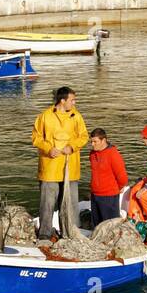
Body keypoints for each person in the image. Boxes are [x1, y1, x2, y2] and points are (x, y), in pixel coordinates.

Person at [31, 86, 89, 240]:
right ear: (62, 101)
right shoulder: (45, 116)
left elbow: (84, 136)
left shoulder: (76, 116)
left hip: (70, 167)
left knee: (70, 205)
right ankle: (44, 234)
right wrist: (49, 149)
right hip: (50, 168)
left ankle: (70, 233)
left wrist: (72, 146)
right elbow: (36, 138)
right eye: (72, 100)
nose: (74, 103)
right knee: (47, 204)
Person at [87, 128, 128, 227]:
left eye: (95, 141)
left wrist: (117, 188)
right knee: (97, 226)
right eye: (91, 141)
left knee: (110, 227)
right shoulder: (92, 154)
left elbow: (122, 176)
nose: (92, 144)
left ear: (103, 140)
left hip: (109, 196)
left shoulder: (113, 154)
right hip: (95, 194)